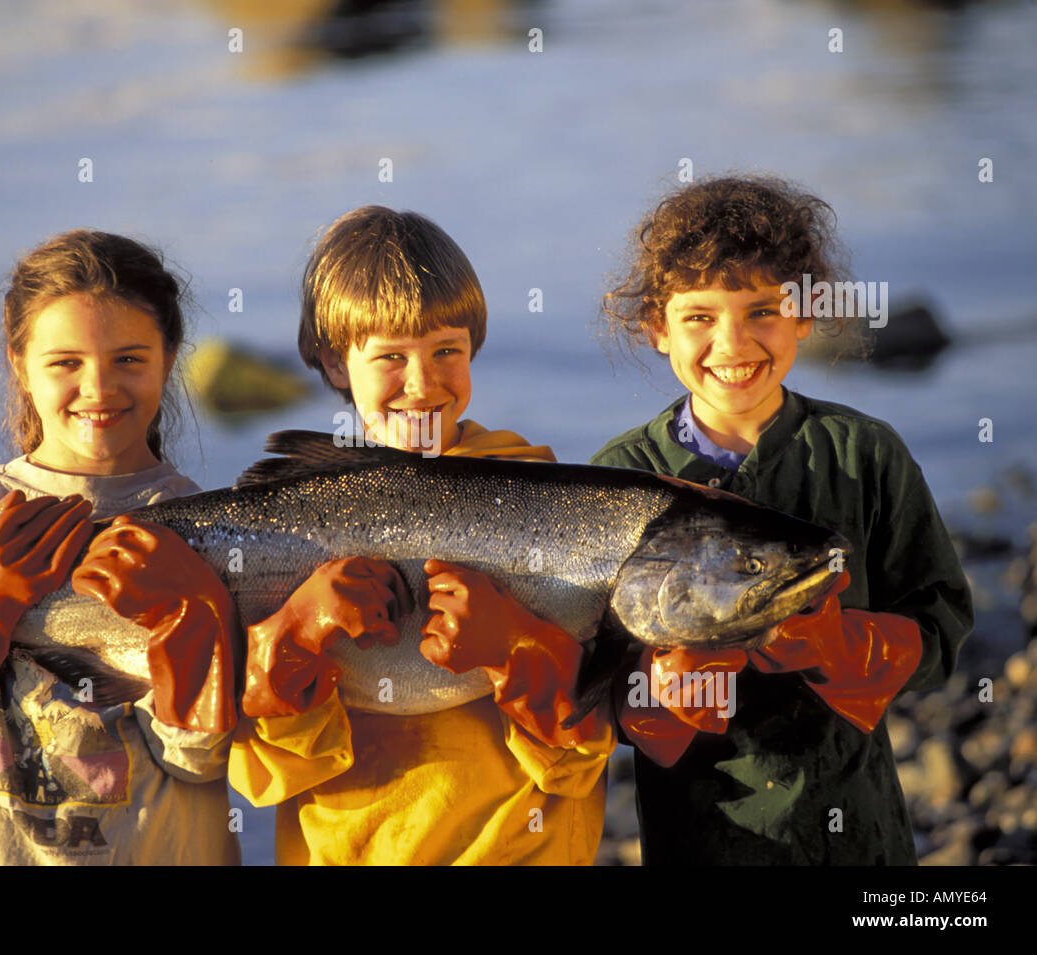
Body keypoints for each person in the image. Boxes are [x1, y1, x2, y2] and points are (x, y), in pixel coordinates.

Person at [591, 176, 973, 864]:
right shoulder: (620, 477)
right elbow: (588, 671)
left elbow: (941, 620)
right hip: (700, 836)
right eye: (699, 316)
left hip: (858, 832)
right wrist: (656, 689)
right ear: (656, 326)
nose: (732, 343)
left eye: (761, 310)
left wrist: (840, 644)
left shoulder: (865, 453)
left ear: (805, 313)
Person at [227, 205, 614, 865]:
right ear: (333, 360)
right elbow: (269, 771)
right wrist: (290, 639)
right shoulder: (283, 521)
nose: (422, 382)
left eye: (446, 350)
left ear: (474, 348)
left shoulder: (540, 498)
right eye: (390, 357)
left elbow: (580, 753)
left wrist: (519, 649)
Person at [0, 229, 241, 865]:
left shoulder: (218, 534)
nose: (98, 389)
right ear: (19, 362)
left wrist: (194, 614)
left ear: (170, 358)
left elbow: (201, 760)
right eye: (66, 362)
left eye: (129, 359)